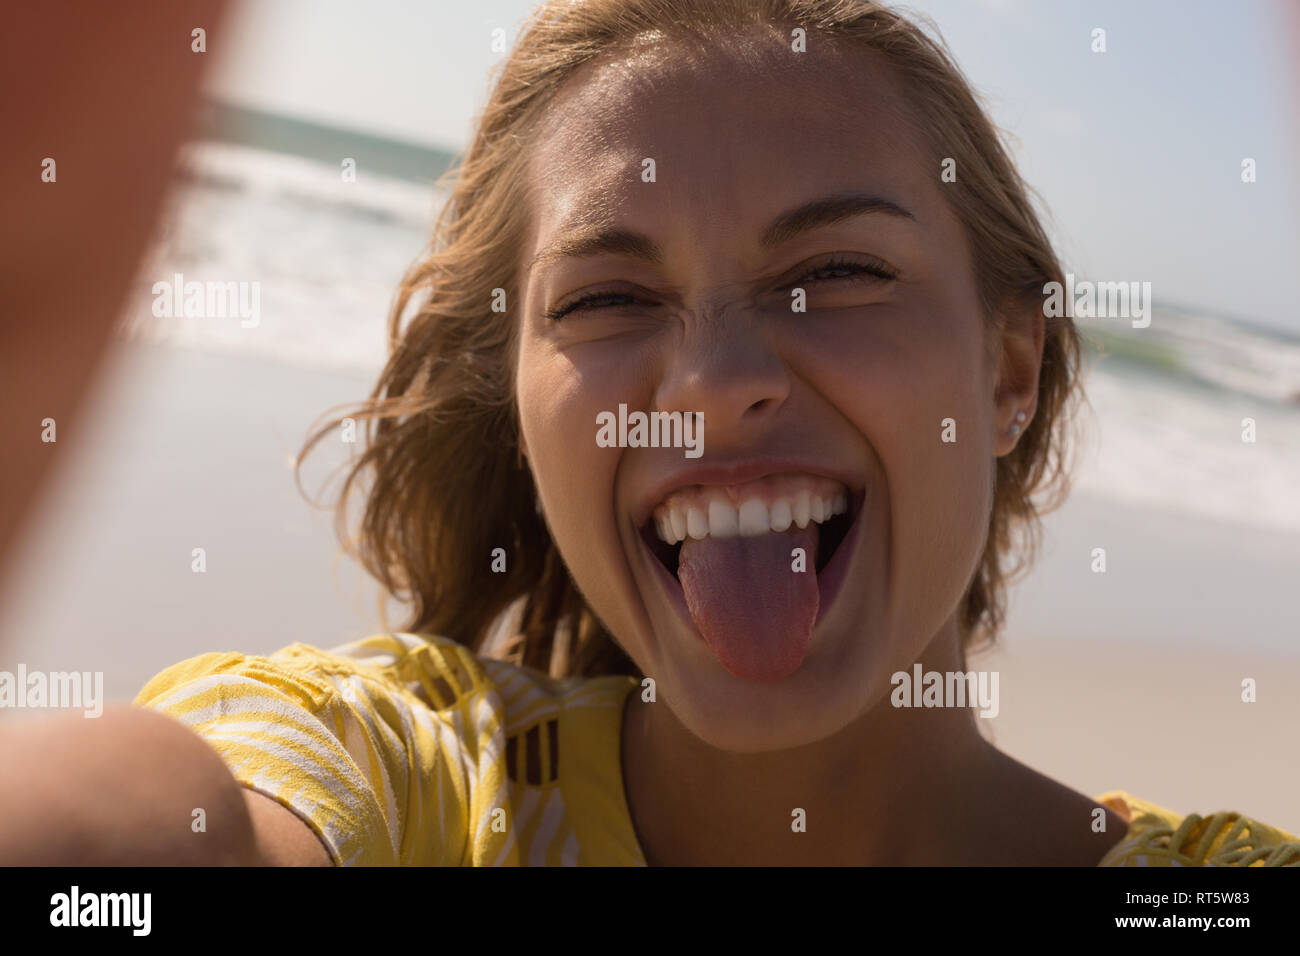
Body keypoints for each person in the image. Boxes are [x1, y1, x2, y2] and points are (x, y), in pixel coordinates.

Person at [8, 0, 1298, 867]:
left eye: (837, 273)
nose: (711, 382)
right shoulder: (411, 782)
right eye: (610, 299)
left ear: (1009, 365)